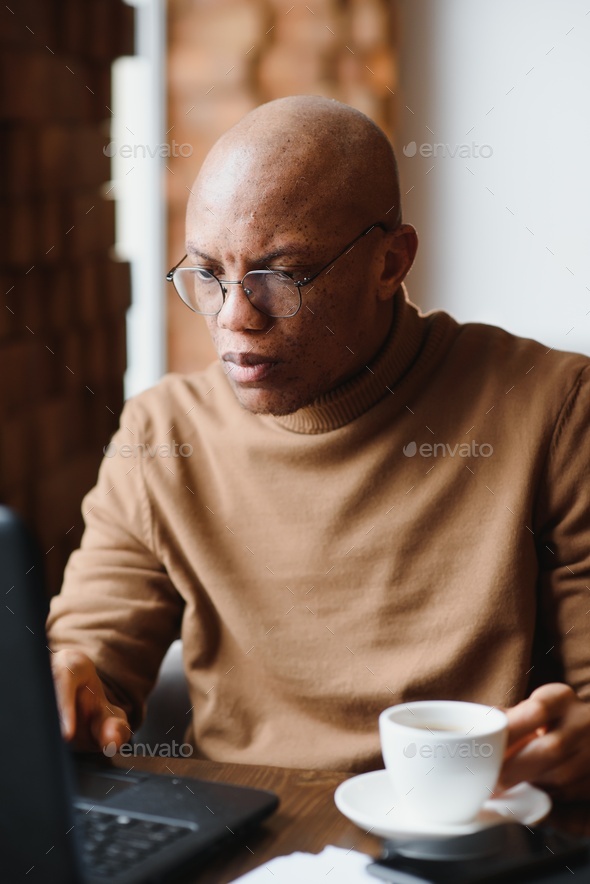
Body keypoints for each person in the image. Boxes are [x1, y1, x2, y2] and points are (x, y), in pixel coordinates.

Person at [47, 95, 590, 800]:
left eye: (282, 275)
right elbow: (93, 657)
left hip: (464, 838)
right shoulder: (162, 436)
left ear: (391, 263)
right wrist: (70, 686)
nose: (236, 318)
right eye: (208, 274)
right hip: (247, 837)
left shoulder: (553, 408)